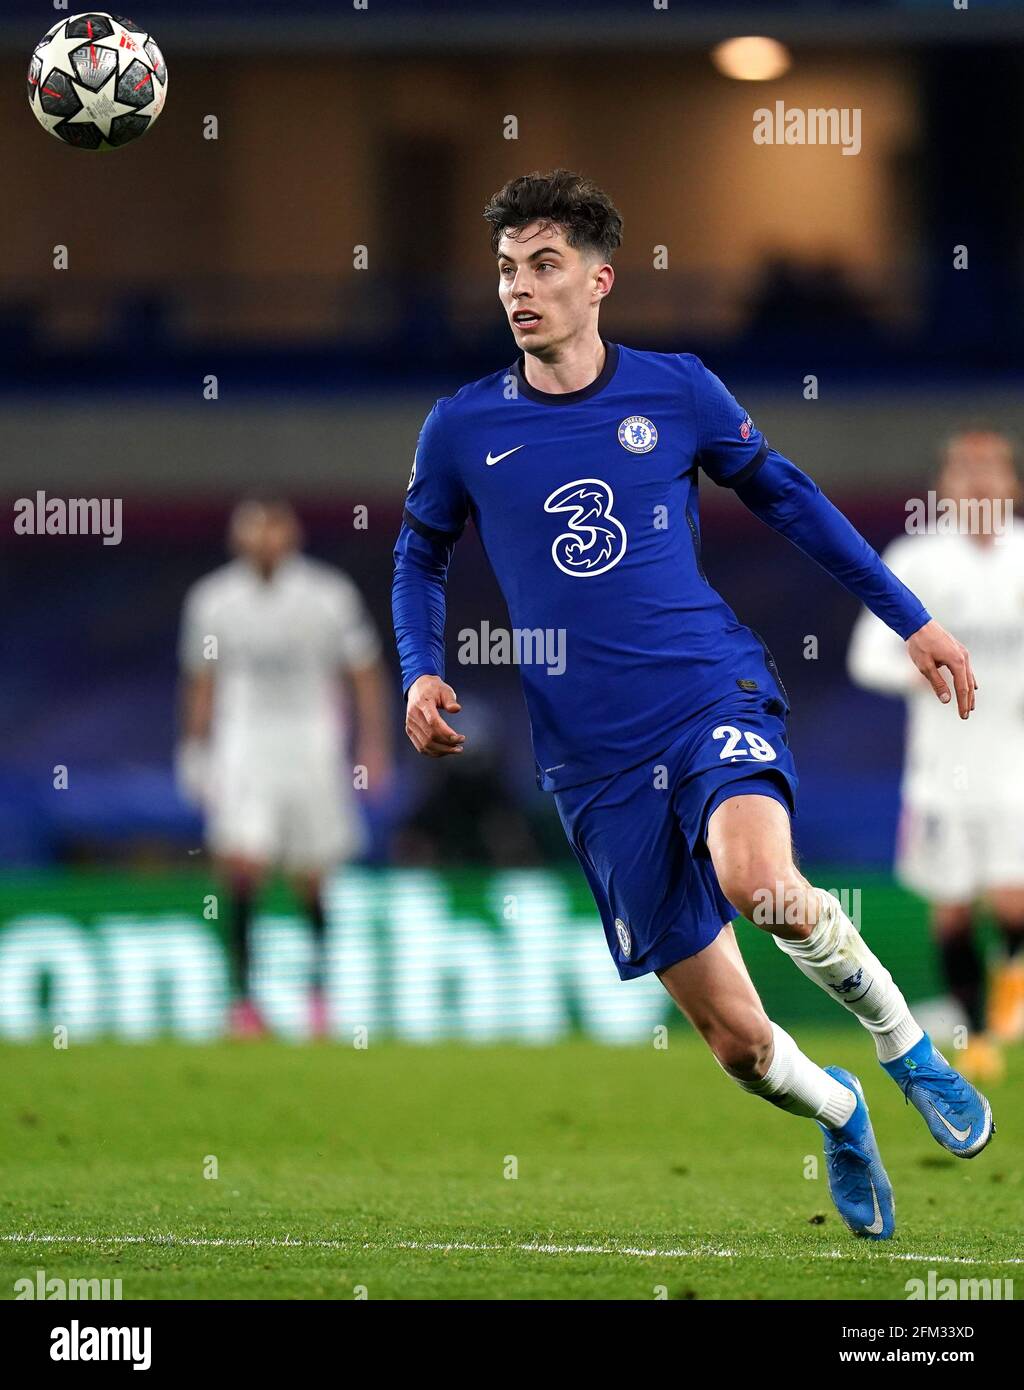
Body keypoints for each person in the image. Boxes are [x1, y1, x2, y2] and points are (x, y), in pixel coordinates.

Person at [391, 170, 993, 1242]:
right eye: (504, 271)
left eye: (543, 266)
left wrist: (909, 618)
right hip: (588, 754)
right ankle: (839, 1109)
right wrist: (418, 665)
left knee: (759, 879)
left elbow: (790, 498)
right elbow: (420, 551)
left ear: (598, 280)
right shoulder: (463, 426)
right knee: (738, 1046)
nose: (518, 290)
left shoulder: (675, 391)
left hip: (707, 686)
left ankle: (908, 1049)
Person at [178, 497, 392, 1036]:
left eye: (273, 530)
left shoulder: (327, 595)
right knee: (242, 865)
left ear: (291, 535)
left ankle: (319, 999)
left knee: (311, 874)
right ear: (238, 539)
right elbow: (202, 681)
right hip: (243, 744)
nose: (264, 541)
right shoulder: (213, 599)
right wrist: (195, 750)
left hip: (312, 744)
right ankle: (244, 1003)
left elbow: (364, 672)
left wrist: (373, 746)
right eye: (254, 531)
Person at [849, 429, 1024, 1081]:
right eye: (964, 470)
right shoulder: (918, 561)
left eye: (991, 469)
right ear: (945, 487)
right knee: (951, 907)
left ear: (1011, 485)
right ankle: (977, 1035)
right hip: (941, 775)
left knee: (1012, 901)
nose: (978, 481)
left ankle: (1012, 977)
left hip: (1016, 767)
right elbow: (866, 656)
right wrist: (925, 671)